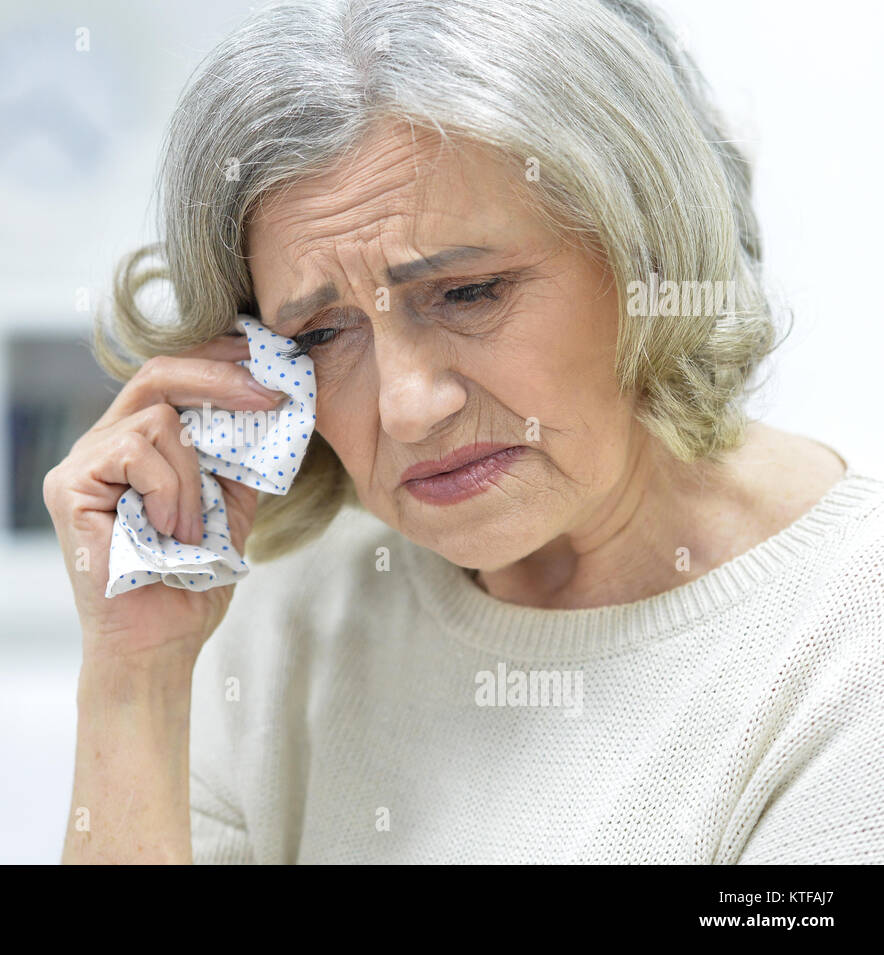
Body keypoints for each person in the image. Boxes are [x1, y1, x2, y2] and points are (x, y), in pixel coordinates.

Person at [44, 0, 884, 863]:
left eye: (469, 292)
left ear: (648, 256)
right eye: (322, 336)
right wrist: (135, 678)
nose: (408, 407)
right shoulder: (285, 619)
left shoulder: (850, 637)